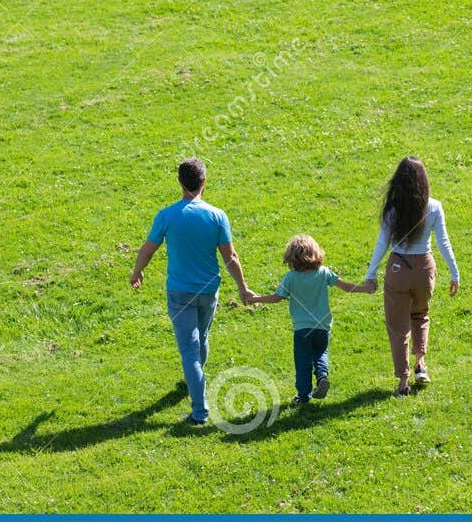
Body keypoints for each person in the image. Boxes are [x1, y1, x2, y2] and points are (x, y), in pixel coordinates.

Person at [129, 158, 255, 425]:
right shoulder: (216, 215)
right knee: (202, 338)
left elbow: (148, 248)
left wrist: (137, 271)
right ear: (204, 182)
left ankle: (199, 411)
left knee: (189, 349)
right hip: (209, 290)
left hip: (179, 292)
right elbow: (230, 257)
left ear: (179, 182)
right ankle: (194, 378)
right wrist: (242, 288)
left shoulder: (167, 215)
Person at [361, 156, 460, 396]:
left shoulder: (393, 209)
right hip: (424, 269)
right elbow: (443, 242)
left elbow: (382, 243)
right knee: (420, 314)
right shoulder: (434, 206)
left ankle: (403, 380)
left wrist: (371, 272)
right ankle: (420, 364)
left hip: (398, 269)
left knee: (398, 327)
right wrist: (454, 273)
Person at [246, 235, 374, 405]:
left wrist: (255, 299)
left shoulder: (290, 278)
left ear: (291, 257)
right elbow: (345, 287)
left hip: (302, 329)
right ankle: (322, 376)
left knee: (302, 362)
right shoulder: (323, 272)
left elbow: (277, 298)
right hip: (322, 326)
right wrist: (365, 289)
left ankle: (303, 396)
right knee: (321, 353)